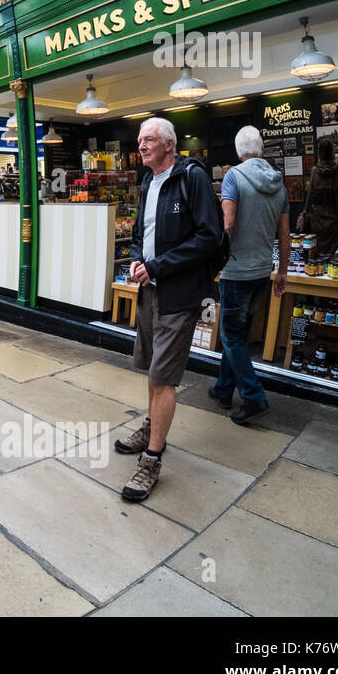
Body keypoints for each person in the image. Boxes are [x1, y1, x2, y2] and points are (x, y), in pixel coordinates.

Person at [116, 117, 222, 502]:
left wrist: (158, 266)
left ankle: (152, 459)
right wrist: (135, 257)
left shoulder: (192, 178)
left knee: (164, 376)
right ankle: (151, 427)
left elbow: (210, 237)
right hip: (150, 290)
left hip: (180, 295)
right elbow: (144, 234)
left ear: (168, 145)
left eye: (148, 140)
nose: (140, 146)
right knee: (151, 368)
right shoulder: (148, 181)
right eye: (139, 140)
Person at [211, 126, 290, 425]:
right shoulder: (278, 184)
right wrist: (282, 271)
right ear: (262, 149)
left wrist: (213, 260)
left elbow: (227, 224)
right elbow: (285, 235)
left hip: (236, 271)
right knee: (238, 337)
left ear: (238, 150)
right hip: (262, 272)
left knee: (230, 336)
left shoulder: (234, 177)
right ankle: (222, 389)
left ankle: (254, 397)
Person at [300, 138, 338, 257]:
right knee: (334, 262)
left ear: (319, 153)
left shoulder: (314, 171)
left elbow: (310, 197)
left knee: (316, 258)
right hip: (334, 223)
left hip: (316, 221)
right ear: (332, 152)